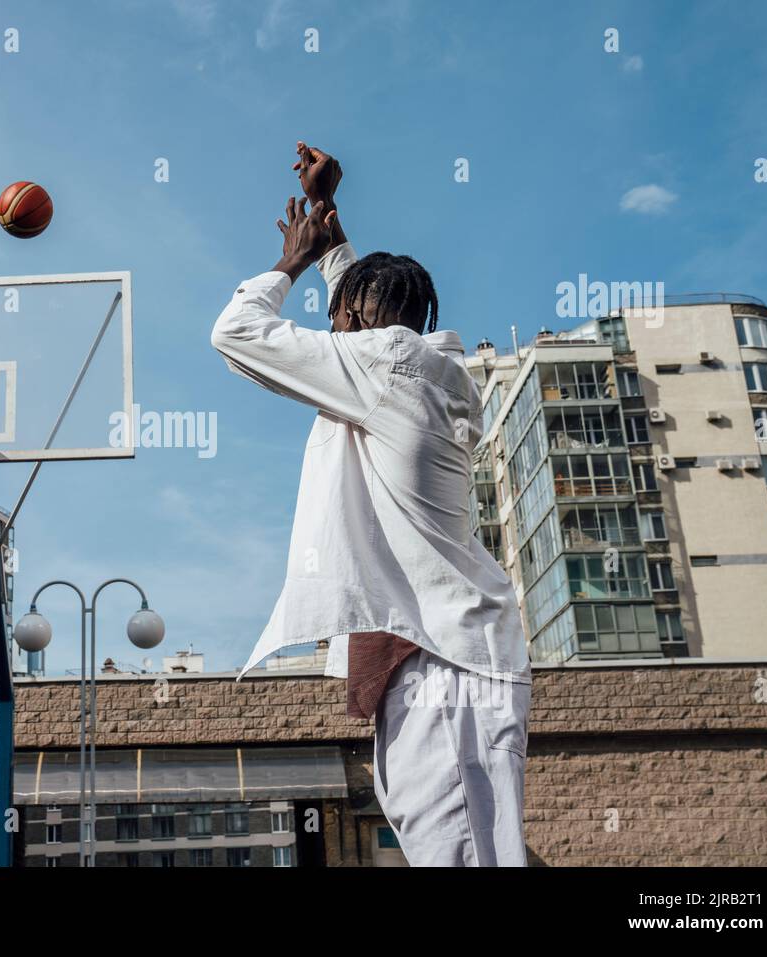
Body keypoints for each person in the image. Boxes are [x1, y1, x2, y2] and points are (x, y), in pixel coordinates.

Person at [210, 143, 531, 866]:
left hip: (443, 661)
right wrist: (332, 223)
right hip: (447, 652)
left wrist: (291, 257)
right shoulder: (426, 367)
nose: (329, 334)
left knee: (459, 853)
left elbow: (234, 333)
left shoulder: (384, 364)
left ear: (356, 317)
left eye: (337, 318)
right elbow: (371, 321)